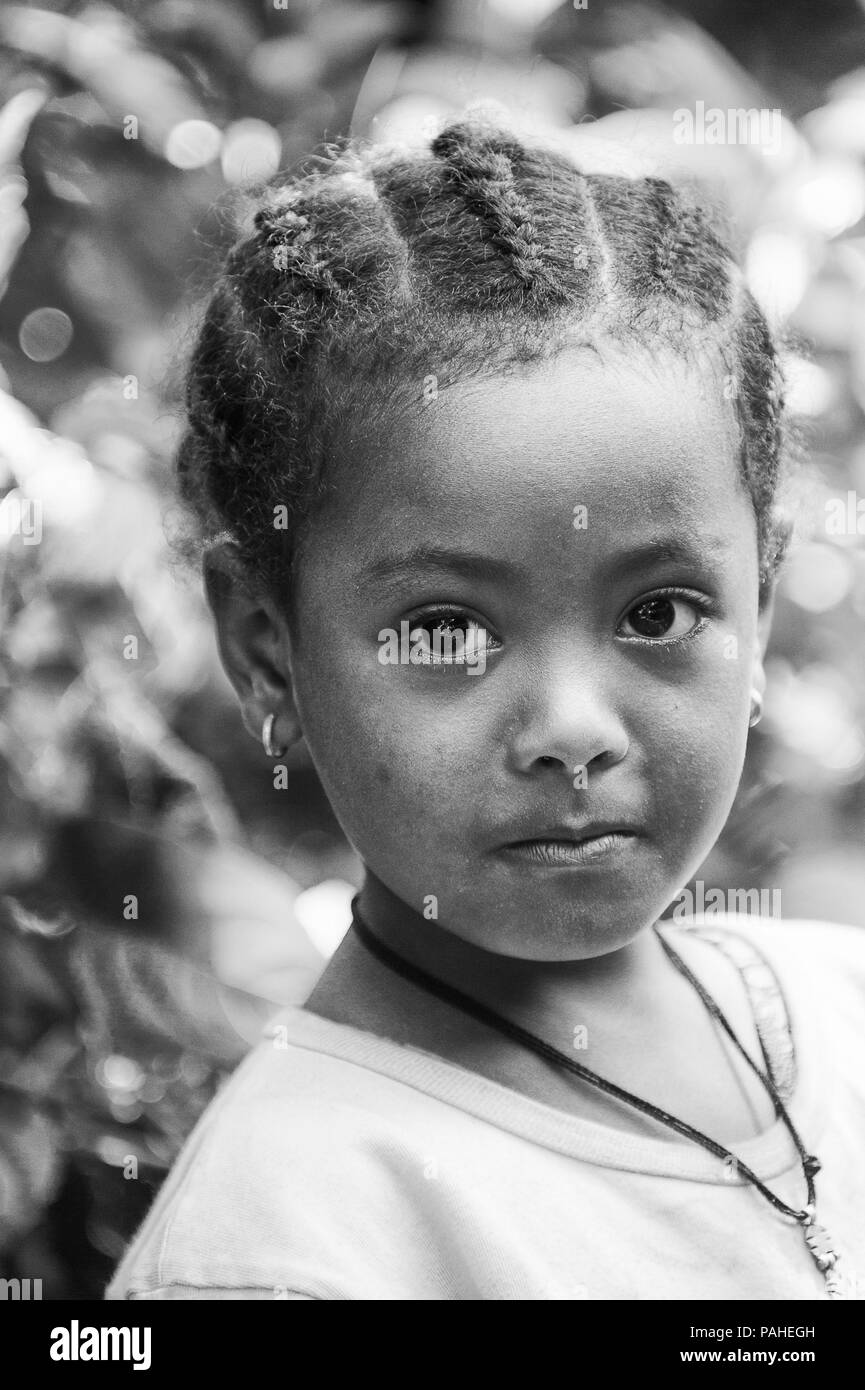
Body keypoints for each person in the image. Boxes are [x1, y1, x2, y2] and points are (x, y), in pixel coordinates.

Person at [107, 115, 865, 1301]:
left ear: (758, 608)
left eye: (659, 613)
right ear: (266, 650)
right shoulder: (285, 1253)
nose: (573, 729)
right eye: (444, 630)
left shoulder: (839, 1004)